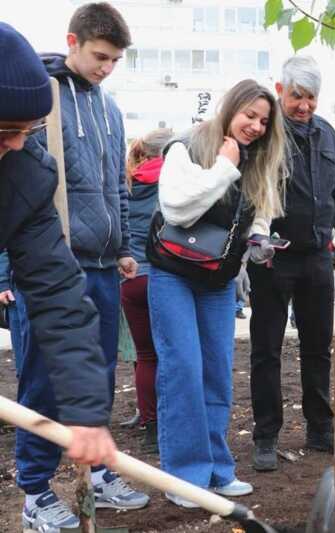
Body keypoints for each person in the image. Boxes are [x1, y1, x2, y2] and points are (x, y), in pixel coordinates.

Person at [14, 2, 150, 514]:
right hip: (52, 267)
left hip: (102, 267)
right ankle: (35, 490)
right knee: (45, 379)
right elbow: (21, 192)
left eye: (115, 60)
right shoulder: (41, 100)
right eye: (100, 56)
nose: (106, 67)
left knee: (97, 375)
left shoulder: (110, 110)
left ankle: (92, 475)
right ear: (72, 42)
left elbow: (117, 183)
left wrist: (124, 248)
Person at [0, 22, 120, 532]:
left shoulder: (24, 170)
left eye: (26, 131)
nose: (17, 144)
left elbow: (58, 294)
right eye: (5, 131)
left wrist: (86, 411)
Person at [145, 79, 287, 506]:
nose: (257, 126)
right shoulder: (187, 145)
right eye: (250, 115)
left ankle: (218, 469)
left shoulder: (259, 158)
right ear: (231, 108)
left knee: (218, 373)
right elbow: (176, 207)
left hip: (218, 280)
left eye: (264, 121)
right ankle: (185, 478)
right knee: (183, 369)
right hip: (173, 272)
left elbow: (259, 212)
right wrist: (225, 166)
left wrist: (262, 240)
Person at [248, 55, 335, 472]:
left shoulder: (328, 135)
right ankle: (265, 434)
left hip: (317, 257)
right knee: (266, 350)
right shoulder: (266, 134)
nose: (304, 106)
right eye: (297, 96)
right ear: (280, 90)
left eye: (311, 98)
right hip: (272, 259)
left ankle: (319, 427)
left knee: (318, 347)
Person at [121, 127, 172, 455]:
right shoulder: (172, 180)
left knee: (145, 357)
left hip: (131, 278)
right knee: (172, 355)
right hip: (164, 277)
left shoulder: (126, 181)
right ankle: (171, 421)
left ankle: (150, 428)